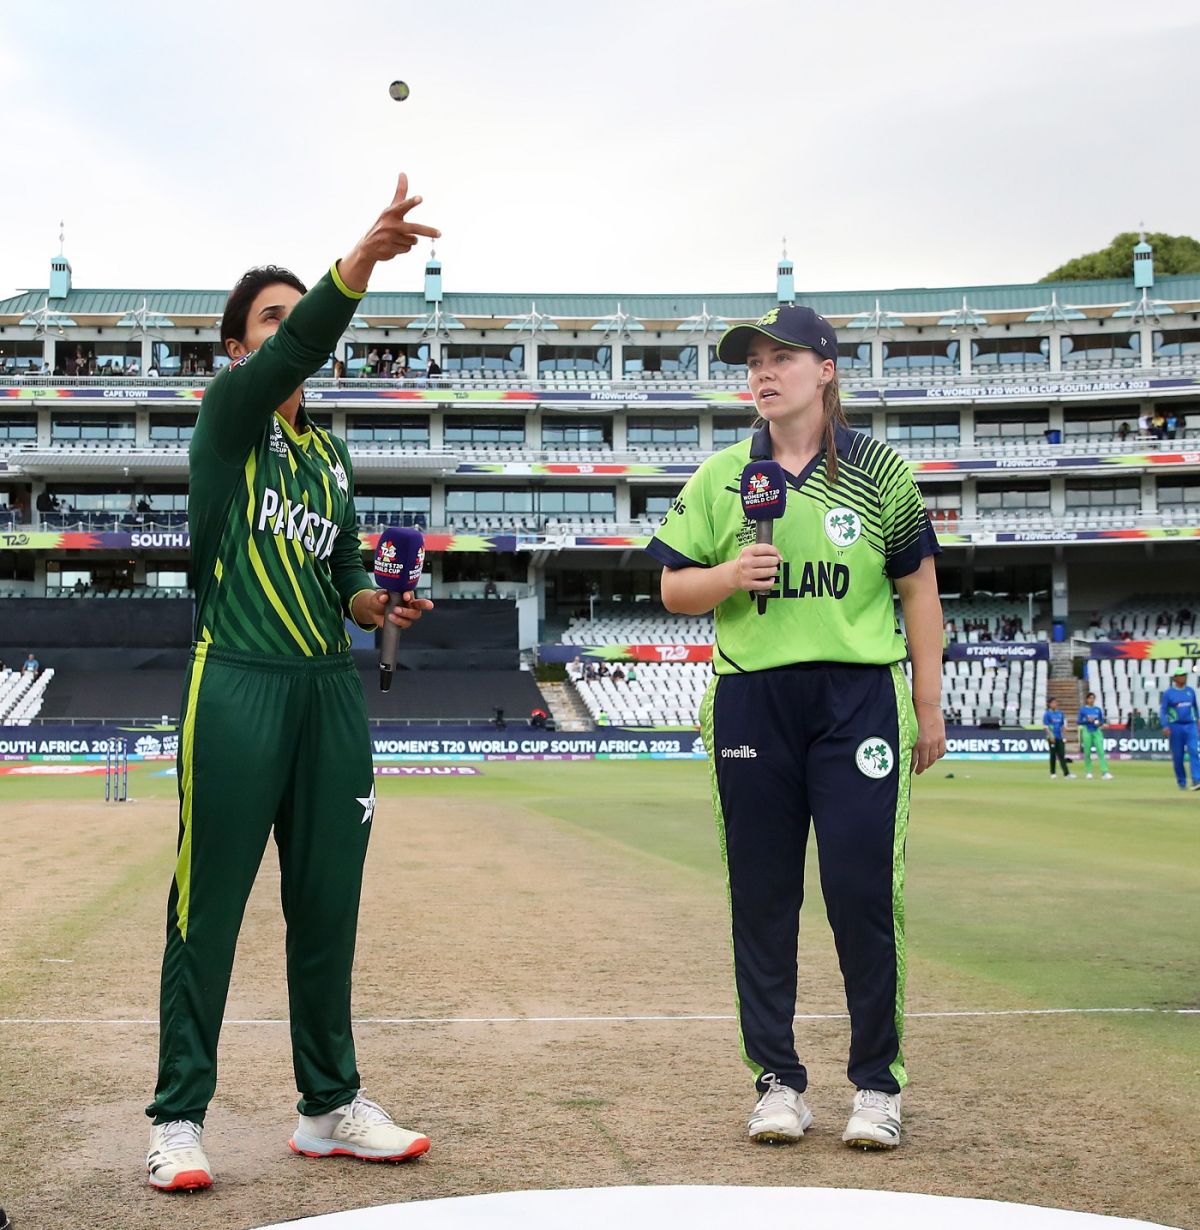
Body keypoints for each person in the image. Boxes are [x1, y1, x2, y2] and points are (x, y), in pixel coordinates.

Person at [144, 173, 440, 1194]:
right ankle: (179, 1116)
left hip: (327, 692)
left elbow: (348, 572)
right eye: (268, 324)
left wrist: (378, 606)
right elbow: (302, 344)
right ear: (240, 349)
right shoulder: (226, 420)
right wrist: (354, 265)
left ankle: (328, 1105)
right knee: (209, 910)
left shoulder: (333, 463)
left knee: (326, 909)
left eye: (291, 321)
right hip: (235, 681)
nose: (289, 338)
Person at [646, 304, 945, 1151]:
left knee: (859, 894)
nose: (763, 374)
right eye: (753, 364)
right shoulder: (722, 477)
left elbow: (919, 590)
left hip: (859, 699)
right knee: (764, 896)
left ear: (826, 370)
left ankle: (877, 1086)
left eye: (781, 358)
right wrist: (731, 573)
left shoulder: (880, 470)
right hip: (751, 698)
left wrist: (928, 703)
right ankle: (777, 1082)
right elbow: (673, 592)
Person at [1160, 669, 1200, 791]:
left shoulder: (1190, 691)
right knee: (1178, 756)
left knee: (1194, 751)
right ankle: (1181, 782)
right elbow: (1163, 711)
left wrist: (1198, 720)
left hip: (1190, 725)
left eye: (1184, 675)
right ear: (1175, 678)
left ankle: (1196, 779)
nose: (1183, 678)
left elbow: (1195, 707)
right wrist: (1165, 725)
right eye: (1181, 676)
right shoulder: (1169, 693)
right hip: (1175, 727)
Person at [1077, 692, 1113, 780]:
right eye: (1090, 698)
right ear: (1087, 699)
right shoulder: (1083, 710)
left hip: (1097, 731)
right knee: (1087, 753)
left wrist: (1101, 724)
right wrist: (1088, 721)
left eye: (1093, 698)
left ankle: (1105, 772)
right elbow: (1079, 721)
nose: (1091, 700)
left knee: (1101, 751)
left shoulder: (1097, 709)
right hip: (1087, 731)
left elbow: (1100, 721)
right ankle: (1089, 772)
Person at [1043, 698, 1071, 779]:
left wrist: (1064, 735)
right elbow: (1046, 727)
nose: (1054, 704)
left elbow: (1063, 725)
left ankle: (1066, 774)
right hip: (1052, 738)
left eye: (1055, 702)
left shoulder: (1060, 713)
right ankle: (1053, 773)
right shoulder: (1047, 714)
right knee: (1053, 755)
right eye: (1053, 703)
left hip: (1060, 737)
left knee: (1062, 755)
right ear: (1049, 704)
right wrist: (1051, 736)